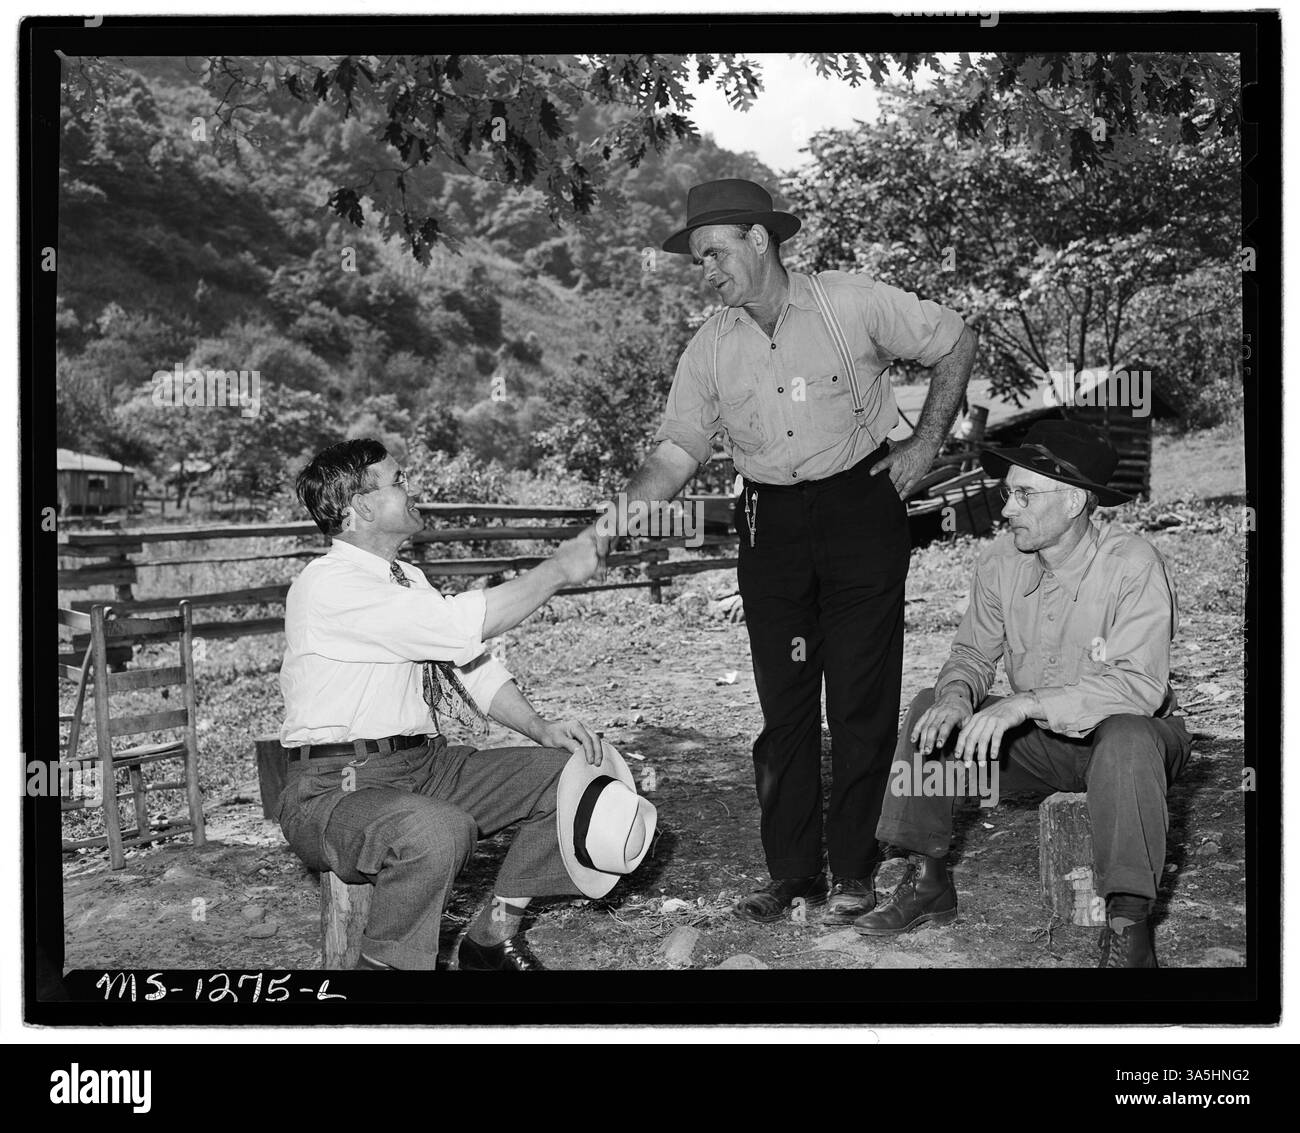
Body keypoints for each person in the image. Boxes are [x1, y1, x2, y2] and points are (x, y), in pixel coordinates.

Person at [596, 178, 977, 925]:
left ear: (759, 239)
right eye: (699, 259)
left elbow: (955, 336)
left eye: (715, 252)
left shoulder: (849, 302)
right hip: (770, 525)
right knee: (786, 707)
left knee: (861, 700)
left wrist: (927, 441)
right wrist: (612, 523)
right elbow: (676, 451)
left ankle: (855, 870)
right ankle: (793, 873)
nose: (706, 270)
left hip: (861, 506)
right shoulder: (710, 347)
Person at [277, 438, 646, 970]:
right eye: (398, 480)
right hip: (336, 787)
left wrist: (539, 727)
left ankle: (492, 938)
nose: (412, 489)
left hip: (425, 766)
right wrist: (558, 569)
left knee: (573, 775)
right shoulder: (329, 585)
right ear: (360, 507)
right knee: (434, 831)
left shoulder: (407, 579)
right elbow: (458, 629)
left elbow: (471, 666)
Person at [853, 420, 1192, 968]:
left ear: (1074, 501)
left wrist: (1024, 704)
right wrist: (957, 695)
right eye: (1008, 493)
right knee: (927, 712)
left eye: (1025, 495)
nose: (1007, 509)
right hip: (1042, 744)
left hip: (1132, 742)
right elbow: (971, 653)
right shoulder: (1000, 562)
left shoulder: (1132, 564)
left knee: (1127, 737)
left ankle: (1129, 928)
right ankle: (928, 882)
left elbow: (1138, 687)